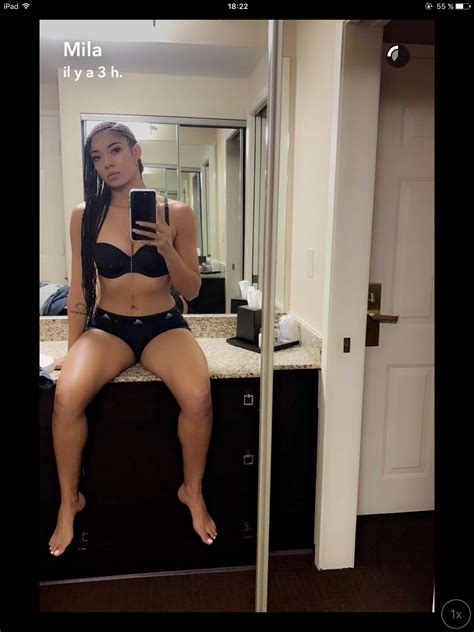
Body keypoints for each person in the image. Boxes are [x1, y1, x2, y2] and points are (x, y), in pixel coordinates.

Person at [48, 121, 216, 557]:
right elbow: (80, 287)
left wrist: (167, 248)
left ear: (136, 151)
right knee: (66, 398)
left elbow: (193, 290)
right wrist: (73, 350)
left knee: (199, 398)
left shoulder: (177, 213)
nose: (107, 163)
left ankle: (192, 491)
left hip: (163, 325)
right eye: (97, 157)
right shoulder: (86, 215)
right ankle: (69, 501)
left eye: (115, 150)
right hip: (108, 328)